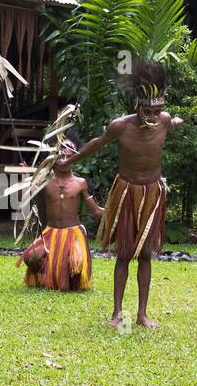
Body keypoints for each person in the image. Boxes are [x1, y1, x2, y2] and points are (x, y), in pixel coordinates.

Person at [71, 59, 182, 328]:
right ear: (138, 106)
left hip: (153, 193)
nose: (155, 116)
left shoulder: (165, 121)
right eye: (149, 111)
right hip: (127, 192)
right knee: (123, 253)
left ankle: (142, 314)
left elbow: (173, 122)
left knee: (145, 254)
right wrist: (69, 160)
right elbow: (97, 143)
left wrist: (178, 120)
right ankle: (117, 313)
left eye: (159, 111)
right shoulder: (120, 126)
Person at [18, 132, 103, 291]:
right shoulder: (45, 180)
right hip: (51, 233)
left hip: (73, 233)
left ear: (75, 156)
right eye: (60, 149)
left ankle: (66, 274)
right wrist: (25, 177)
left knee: (75, 267)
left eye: (68, 149)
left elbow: (97, 211)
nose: (64, 152)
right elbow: (26, 196)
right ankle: (49, 273)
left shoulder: (80, 183)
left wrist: (119, 209)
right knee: (31, 258)